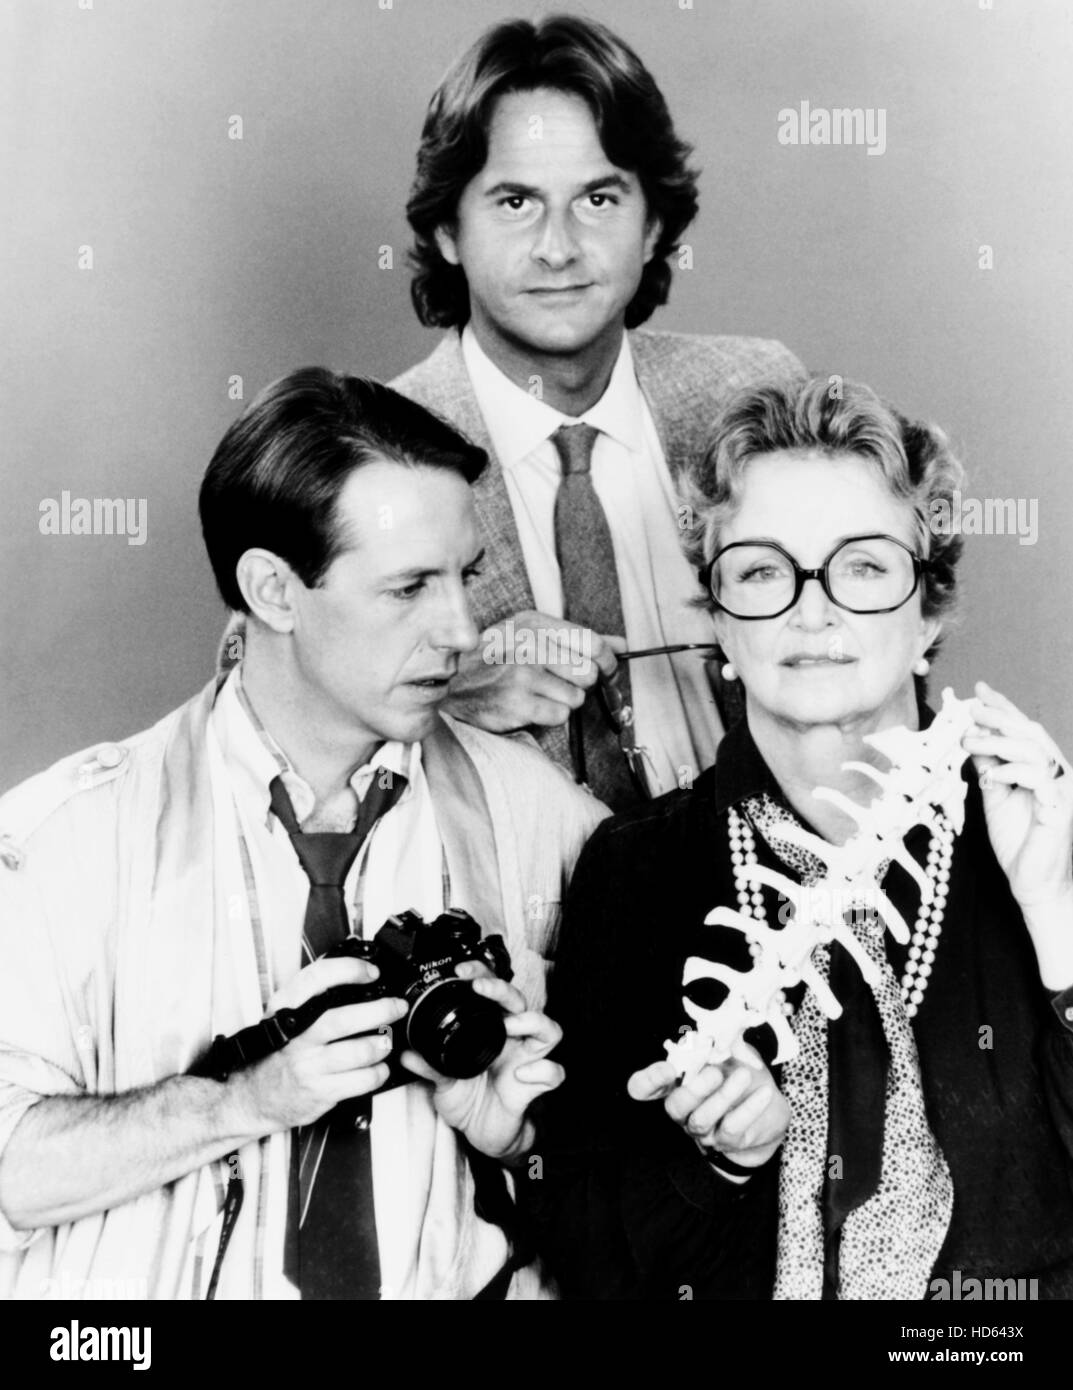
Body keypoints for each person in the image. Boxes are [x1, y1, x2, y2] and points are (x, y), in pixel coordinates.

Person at [0, 369, 606, 1301]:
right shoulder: (60, 841)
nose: (461, 630)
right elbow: (12, 1170)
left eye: (464, 578)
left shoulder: (546, 816)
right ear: (273, 590)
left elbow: (648, 1157)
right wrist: (246, 1101)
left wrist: (524, 1142)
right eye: (408, 588)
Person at [524, 376, 1073, 1299]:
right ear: (720, 628)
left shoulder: (1041, 831)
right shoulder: (635, 870)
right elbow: (580, 1251)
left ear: (928, 613)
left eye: (862, 566)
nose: (809, 612)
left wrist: (1056, 919)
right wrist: (720, 1165)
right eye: (762, 571)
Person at [391, 14, 804, 809]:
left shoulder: (756, 393)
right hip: (499, 921)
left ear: (652, 224)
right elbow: (259, 706)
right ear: (447, 228)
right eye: (514, 201)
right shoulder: (366, 451)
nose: (558, 246)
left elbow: (886, 625)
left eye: (598, 197)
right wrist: (436, 700)